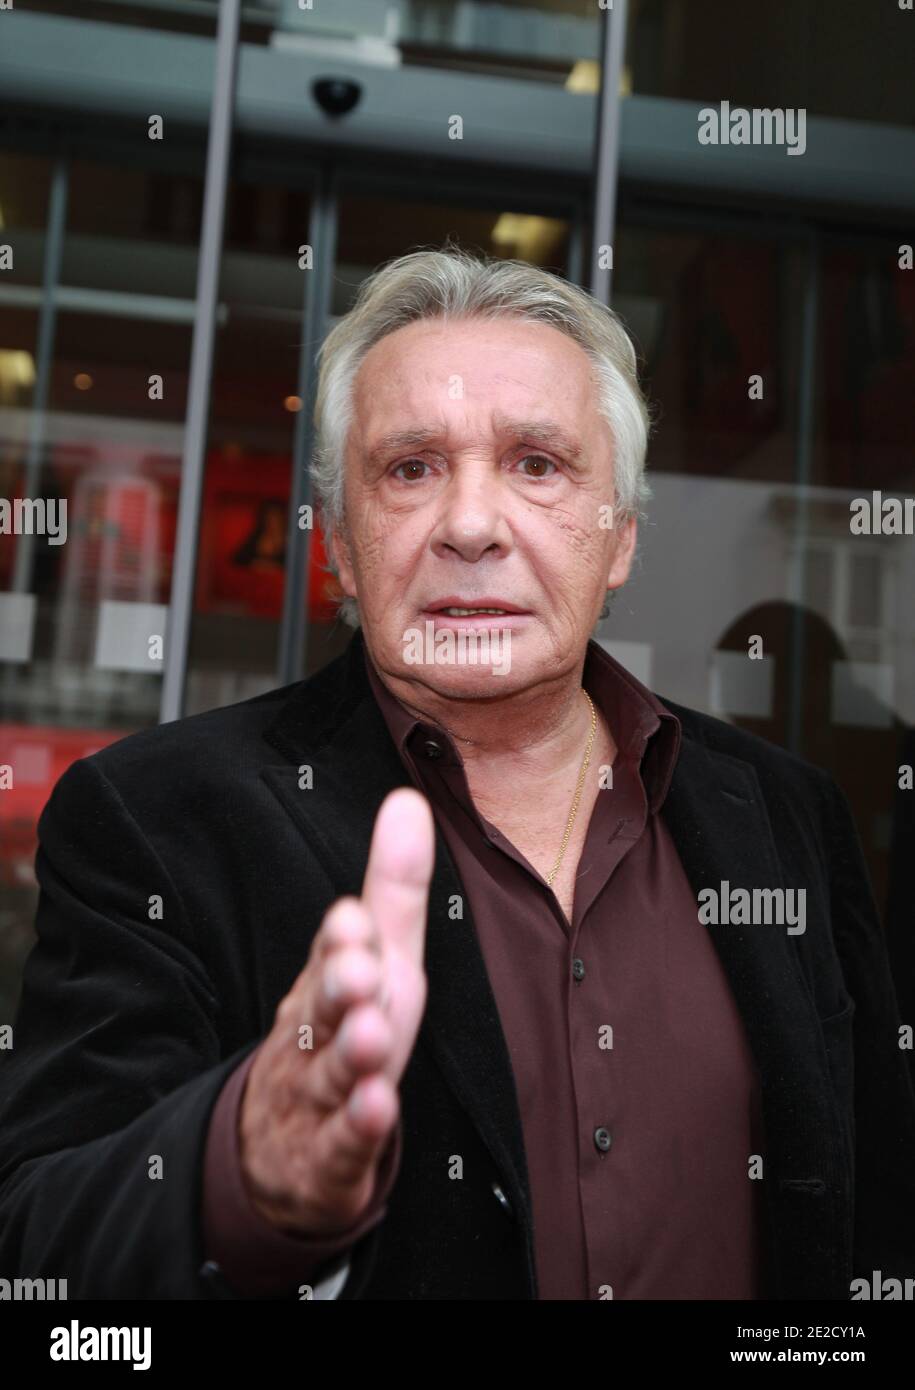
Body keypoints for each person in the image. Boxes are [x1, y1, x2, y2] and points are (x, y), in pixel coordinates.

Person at [1, 247, 913, 1300]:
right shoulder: (156, 822)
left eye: (537, 463)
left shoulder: (788, 818)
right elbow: (40, 1253)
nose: (471, 526)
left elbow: (873, 1227)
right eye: (411, 467)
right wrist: (241, 1174)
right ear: (339, 540)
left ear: (618, 537)